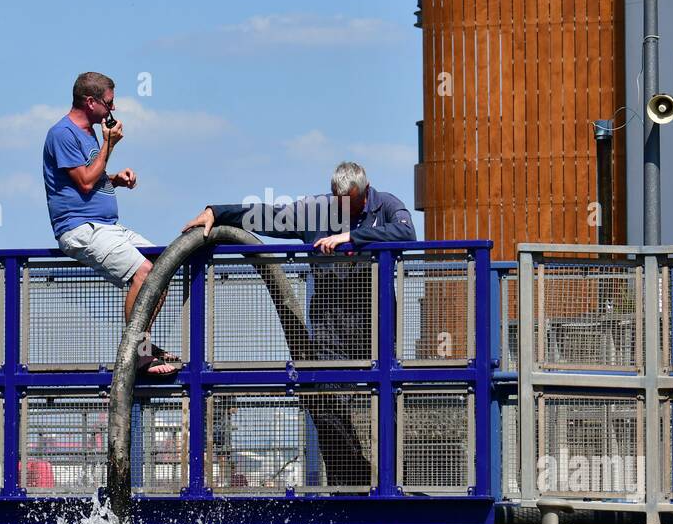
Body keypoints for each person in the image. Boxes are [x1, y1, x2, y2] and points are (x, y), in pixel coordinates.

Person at [182, 161, 416, 485]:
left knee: (385, 398)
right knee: (327, 402)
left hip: (374, 324)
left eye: (351, 203)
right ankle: (346, 482)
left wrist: (354, 237)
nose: (343, 208)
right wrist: (217, 212)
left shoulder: (386, 204)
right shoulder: (318, 211)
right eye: (339, 203)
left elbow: (406, 232)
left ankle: (391, 483)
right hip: (331, 329)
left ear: (365, 192)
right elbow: (268, 216)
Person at [42, 71, 178, 374]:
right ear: (91, 102)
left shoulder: (89, 132)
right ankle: (138, 354)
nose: (112, 110)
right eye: (109, 103)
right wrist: (110, 144)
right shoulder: (62, 133)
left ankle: (142, 344)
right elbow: (86, 182)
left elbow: (93, 175)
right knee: (145, 273)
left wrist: (115, 178)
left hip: (107, 226)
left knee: (163, 265)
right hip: (80, 228)